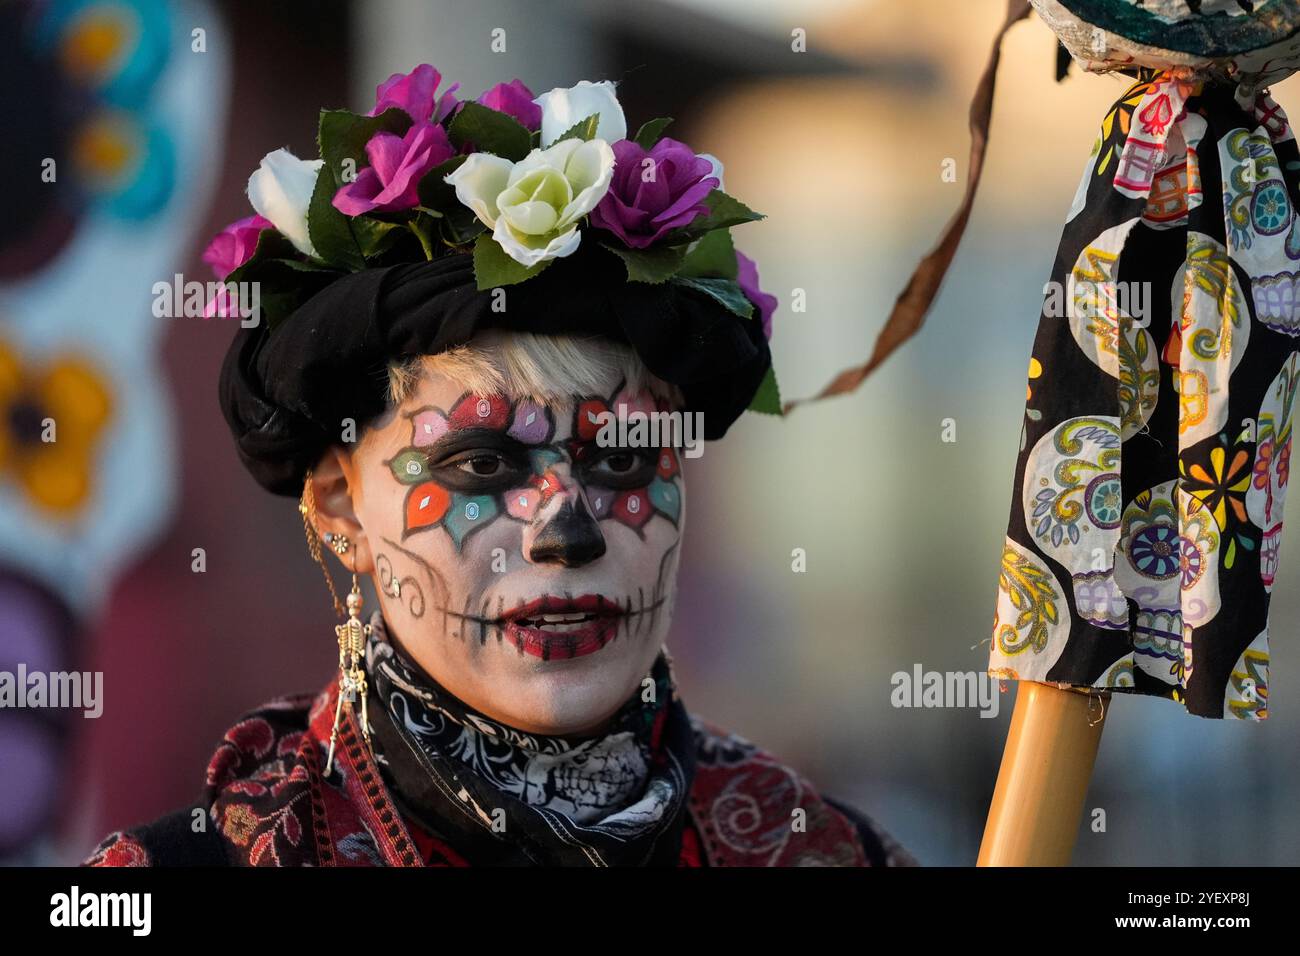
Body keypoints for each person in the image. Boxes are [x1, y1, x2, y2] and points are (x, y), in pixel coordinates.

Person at [86, 65, 914, 867]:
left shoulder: (824, 853)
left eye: (622, 457)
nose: (568, 533)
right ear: (341, 505)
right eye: (481, 463)